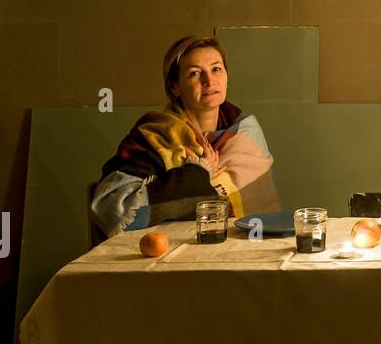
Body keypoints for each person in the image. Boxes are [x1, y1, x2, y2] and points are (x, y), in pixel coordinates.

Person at [90, 35, 281, 239]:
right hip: (168, 250)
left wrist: (194, 193)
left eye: (216, 69)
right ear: (175, 87)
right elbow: (114, 209)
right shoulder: (155, 136)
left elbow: (264, 215)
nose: (209, 81)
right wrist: (197, 174)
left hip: (242, 247)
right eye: (195, 73)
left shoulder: (246, 133)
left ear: (227, 77)